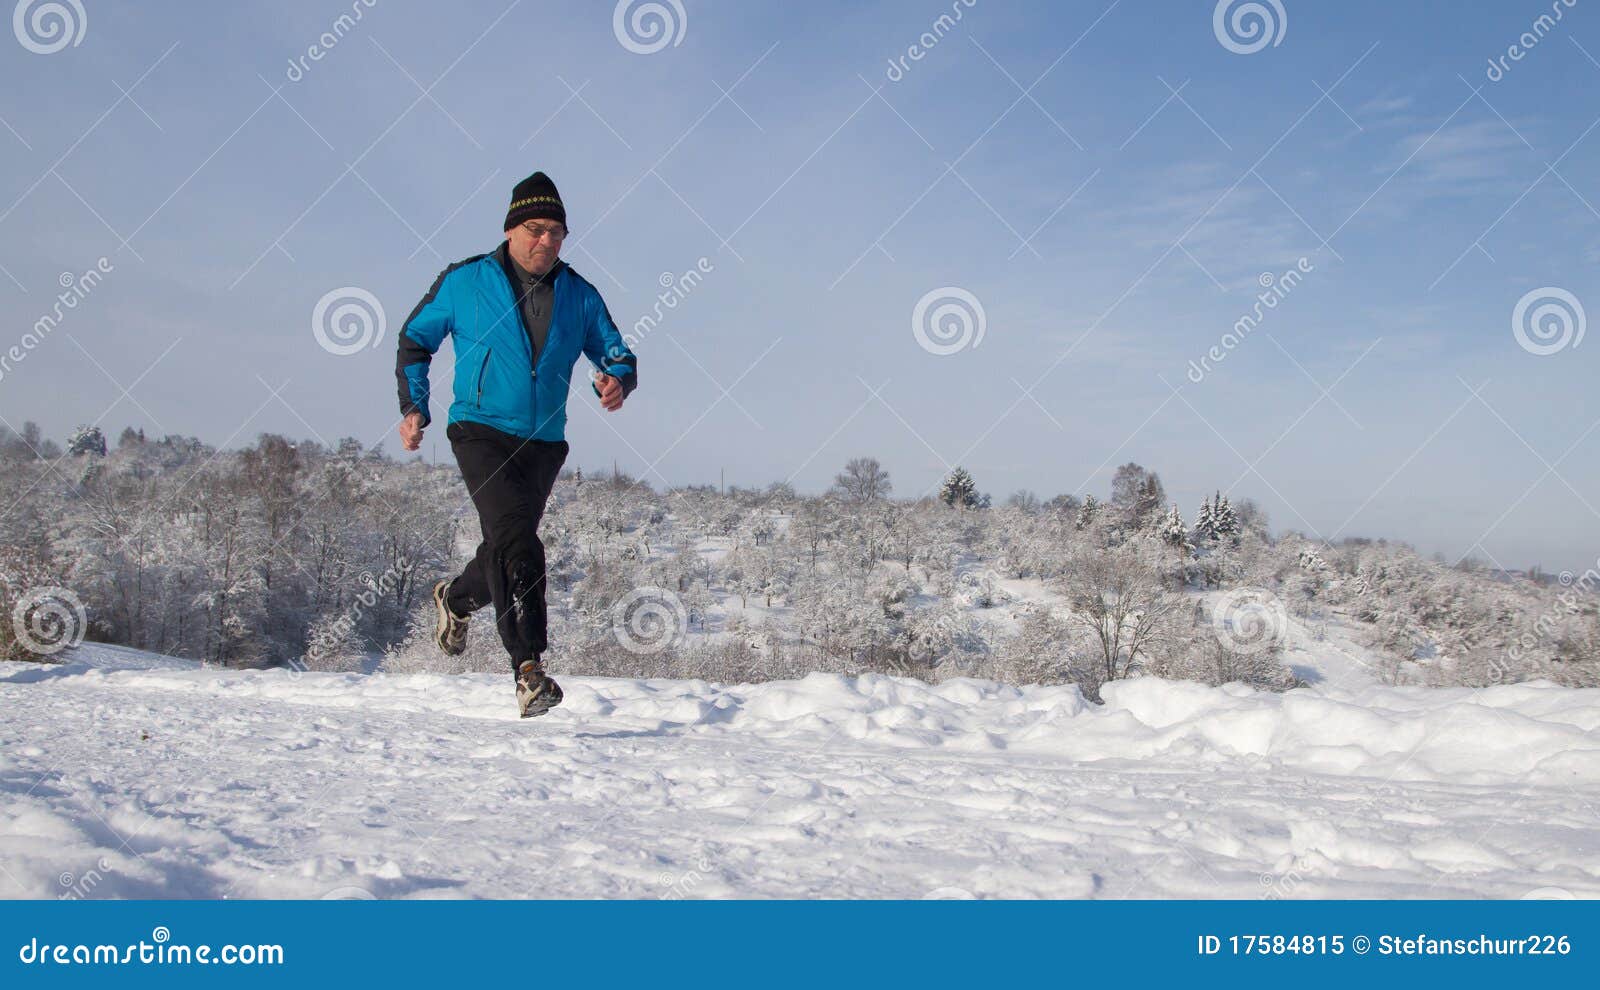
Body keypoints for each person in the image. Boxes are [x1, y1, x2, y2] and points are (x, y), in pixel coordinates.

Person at [394, 171, 637, 717]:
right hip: (479, 429)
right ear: (510, 230)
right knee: (519, 544)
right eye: (535, 229)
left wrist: (618, 378)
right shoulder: (465, 281)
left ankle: (454, 600)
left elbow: (617, 352)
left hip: (544, 443)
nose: (547, 241)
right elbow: (414, 340)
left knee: (507, 545)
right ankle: (528, 669)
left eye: (557, 232)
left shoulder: (579, 294)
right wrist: (414, 406)